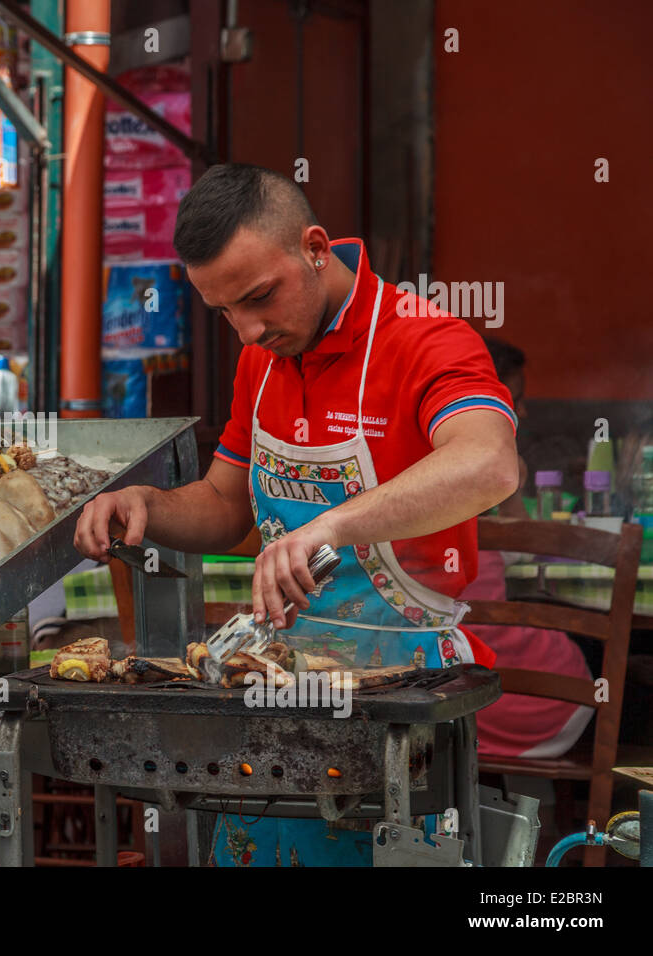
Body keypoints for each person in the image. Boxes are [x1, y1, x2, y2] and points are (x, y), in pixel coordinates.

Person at [73, 163, 520, 865]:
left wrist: (332, 525)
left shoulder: (424, 338)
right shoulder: (264, 358)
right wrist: (147, 506)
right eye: (225, 312)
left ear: (316, 247)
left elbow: (489, 464)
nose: (248, 331)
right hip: (271, 696)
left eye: (258, 297)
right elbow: (224, 507)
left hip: (397, 704)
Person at [461, 337, 594, 758]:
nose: (521, 411)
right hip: (531, 702)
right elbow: (525, 548)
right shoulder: (500, 467)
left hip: (445, 700)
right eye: (513, 399)